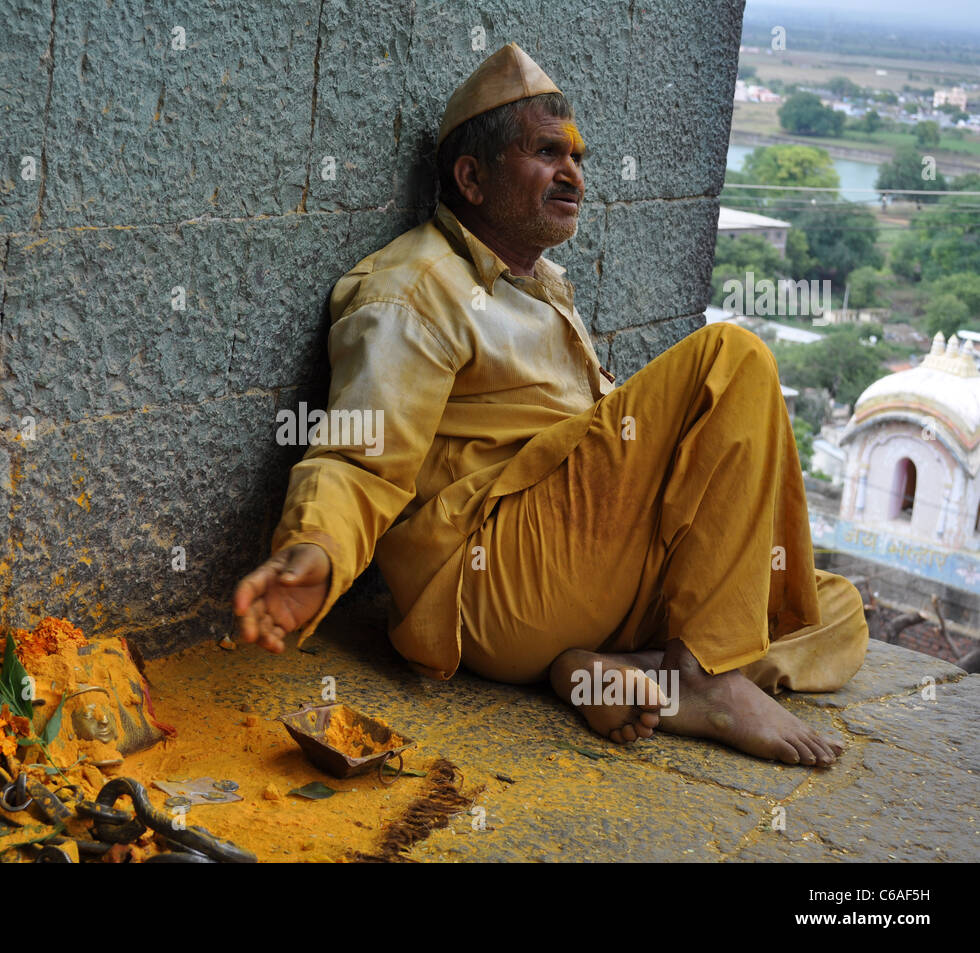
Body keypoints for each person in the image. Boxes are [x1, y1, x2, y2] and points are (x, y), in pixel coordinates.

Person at [233, 43, 867, 766]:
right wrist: (313, 548)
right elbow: (357, 455)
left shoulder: (540, 285)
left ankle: (604, 669)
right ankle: (705, 679)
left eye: (578, 156)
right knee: (732, 356)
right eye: (546, 153)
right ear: (471, 177)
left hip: (581, 578)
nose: (573, 173)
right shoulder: (414, 289)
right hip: (498, 578)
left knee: (830, 608)